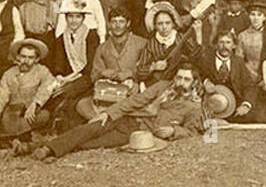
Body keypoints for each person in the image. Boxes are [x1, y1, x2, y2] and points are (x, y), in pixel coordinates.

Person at [31, 63, 205, 160]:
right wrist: (109, 113)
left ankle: (38, 147)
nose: (180, 82)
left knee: (91, 143)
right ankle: (46, 150)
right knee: (90, 129)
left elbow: (192, 130)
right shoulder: (162, 87)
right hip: (125, 118)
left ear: (194, 82)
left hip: (136, 134)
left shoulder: (194, 107)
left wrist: (174, 130)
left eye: (186, 79)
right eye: (179, 77)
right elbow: (135, 100)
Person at [0, 38, 56, 151]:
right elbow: (1, 97)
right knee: (2, 121)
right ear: (18, 57)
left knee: (44, 116)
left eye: (30, 58)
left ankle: (7, 140)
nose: (26, 61)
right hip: (12, 113)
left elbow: (48, 87)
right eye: (23, 56)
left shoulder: (42, 71)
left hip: (33, 112)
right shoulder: (9, 74)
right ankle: (14, 139)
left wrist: (35, 104)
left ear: (37, 59)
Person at [76, 5, 146, 121]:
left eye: (121, 21)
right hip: (108, 95)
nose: (117, 26)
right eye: (114, 22)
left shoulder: (141, 44)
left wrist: (130, 73)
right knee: (82, 105)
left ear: (128, 23)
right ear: (109, 24)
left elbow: (148, 70)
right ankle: (104, 121)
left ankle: (105, 122)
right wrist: (104, 72)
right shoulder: (102, 48)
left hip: (131, 94)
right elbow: (94, 75)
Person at [199, 30, 266, 123]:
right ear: (216, 45)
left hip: (236, 105)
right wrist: (205, 81)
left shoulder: (238, 62)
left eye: (228, 42)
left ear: (234, 45)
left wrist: (246, 104)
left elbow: (250, 85)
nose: (224, 46)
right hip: (213, 104)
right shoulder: (207, 60)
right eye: (221, 42)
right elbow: (197, 74)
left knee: (261, 117)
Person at [43, 6, 100, 126]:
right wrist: (60, 77)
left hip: (87, 77)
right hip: (67, 77)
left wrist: (69, 80)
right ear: (66, 18)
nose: (74, 20)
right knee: (51, 90)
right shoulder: (61, 38)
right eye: (70, 16)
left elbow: (91, 65)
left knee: (68, 92)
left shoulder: (91, 36)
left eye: (78, 17)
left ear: (83, 18)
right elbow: (59, 63)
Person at [139, 2, 199, 88]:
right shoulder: (151, 44)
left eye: (167, 23)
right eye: (160, 23)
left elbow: (196, 56)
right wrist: (154, 67)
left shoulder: (181, 37)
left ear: (173, 24)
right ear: (155, 26)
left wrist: (198, 34)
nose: (164, 27)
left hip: (181, 82)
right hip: (158, 83)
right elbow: (140, 71)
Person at [236, 0, 266, 84]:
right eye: (252, 14)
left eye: (259, 15)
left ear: (264, 17)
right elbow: (239, 60)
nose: (255, 18)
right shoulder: (243, 36)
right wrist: (251, 74)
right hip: (248, 77)